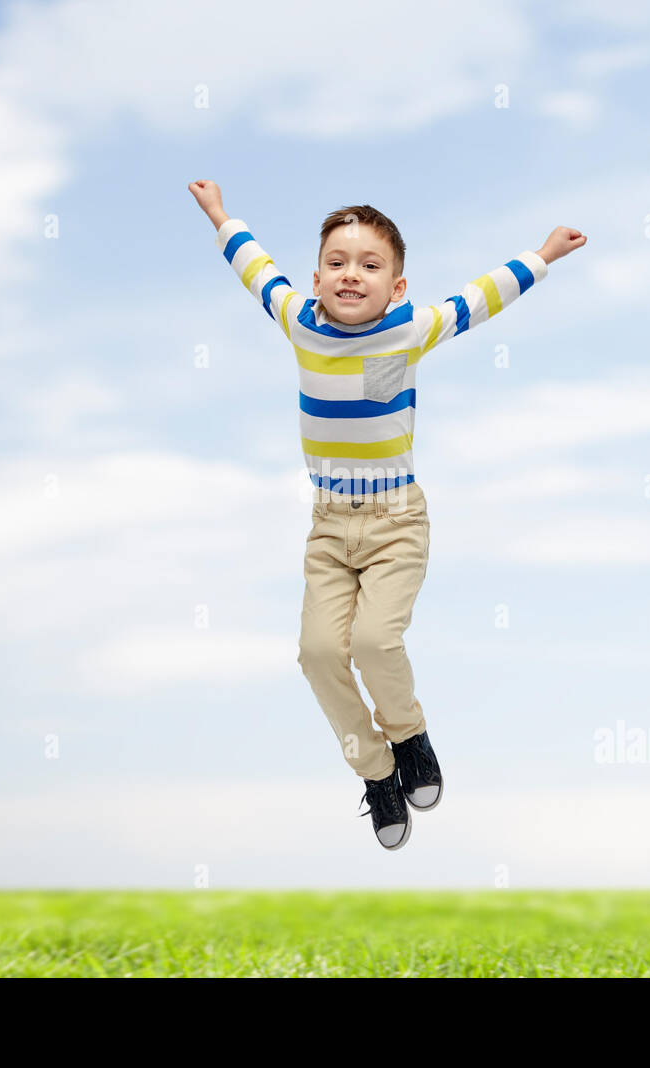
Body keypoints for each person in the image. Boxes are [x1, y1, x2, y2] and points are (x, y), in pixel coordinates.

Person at [189, 179, 587, 850]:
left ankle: (408, 736)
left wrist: (544, 254)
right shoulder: (297, 319)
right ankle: (376, 772)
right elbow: (255, 268)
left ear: (396, 287)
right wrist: (222, 216)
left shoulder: (411, 329)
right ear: (316, 280)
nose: (352, 275)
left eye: (370, 266)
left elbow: (478, 299)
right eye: (339, 264)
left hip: (397, 521)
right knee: (317, 653)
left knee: (374, 642)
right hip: (328, 526)